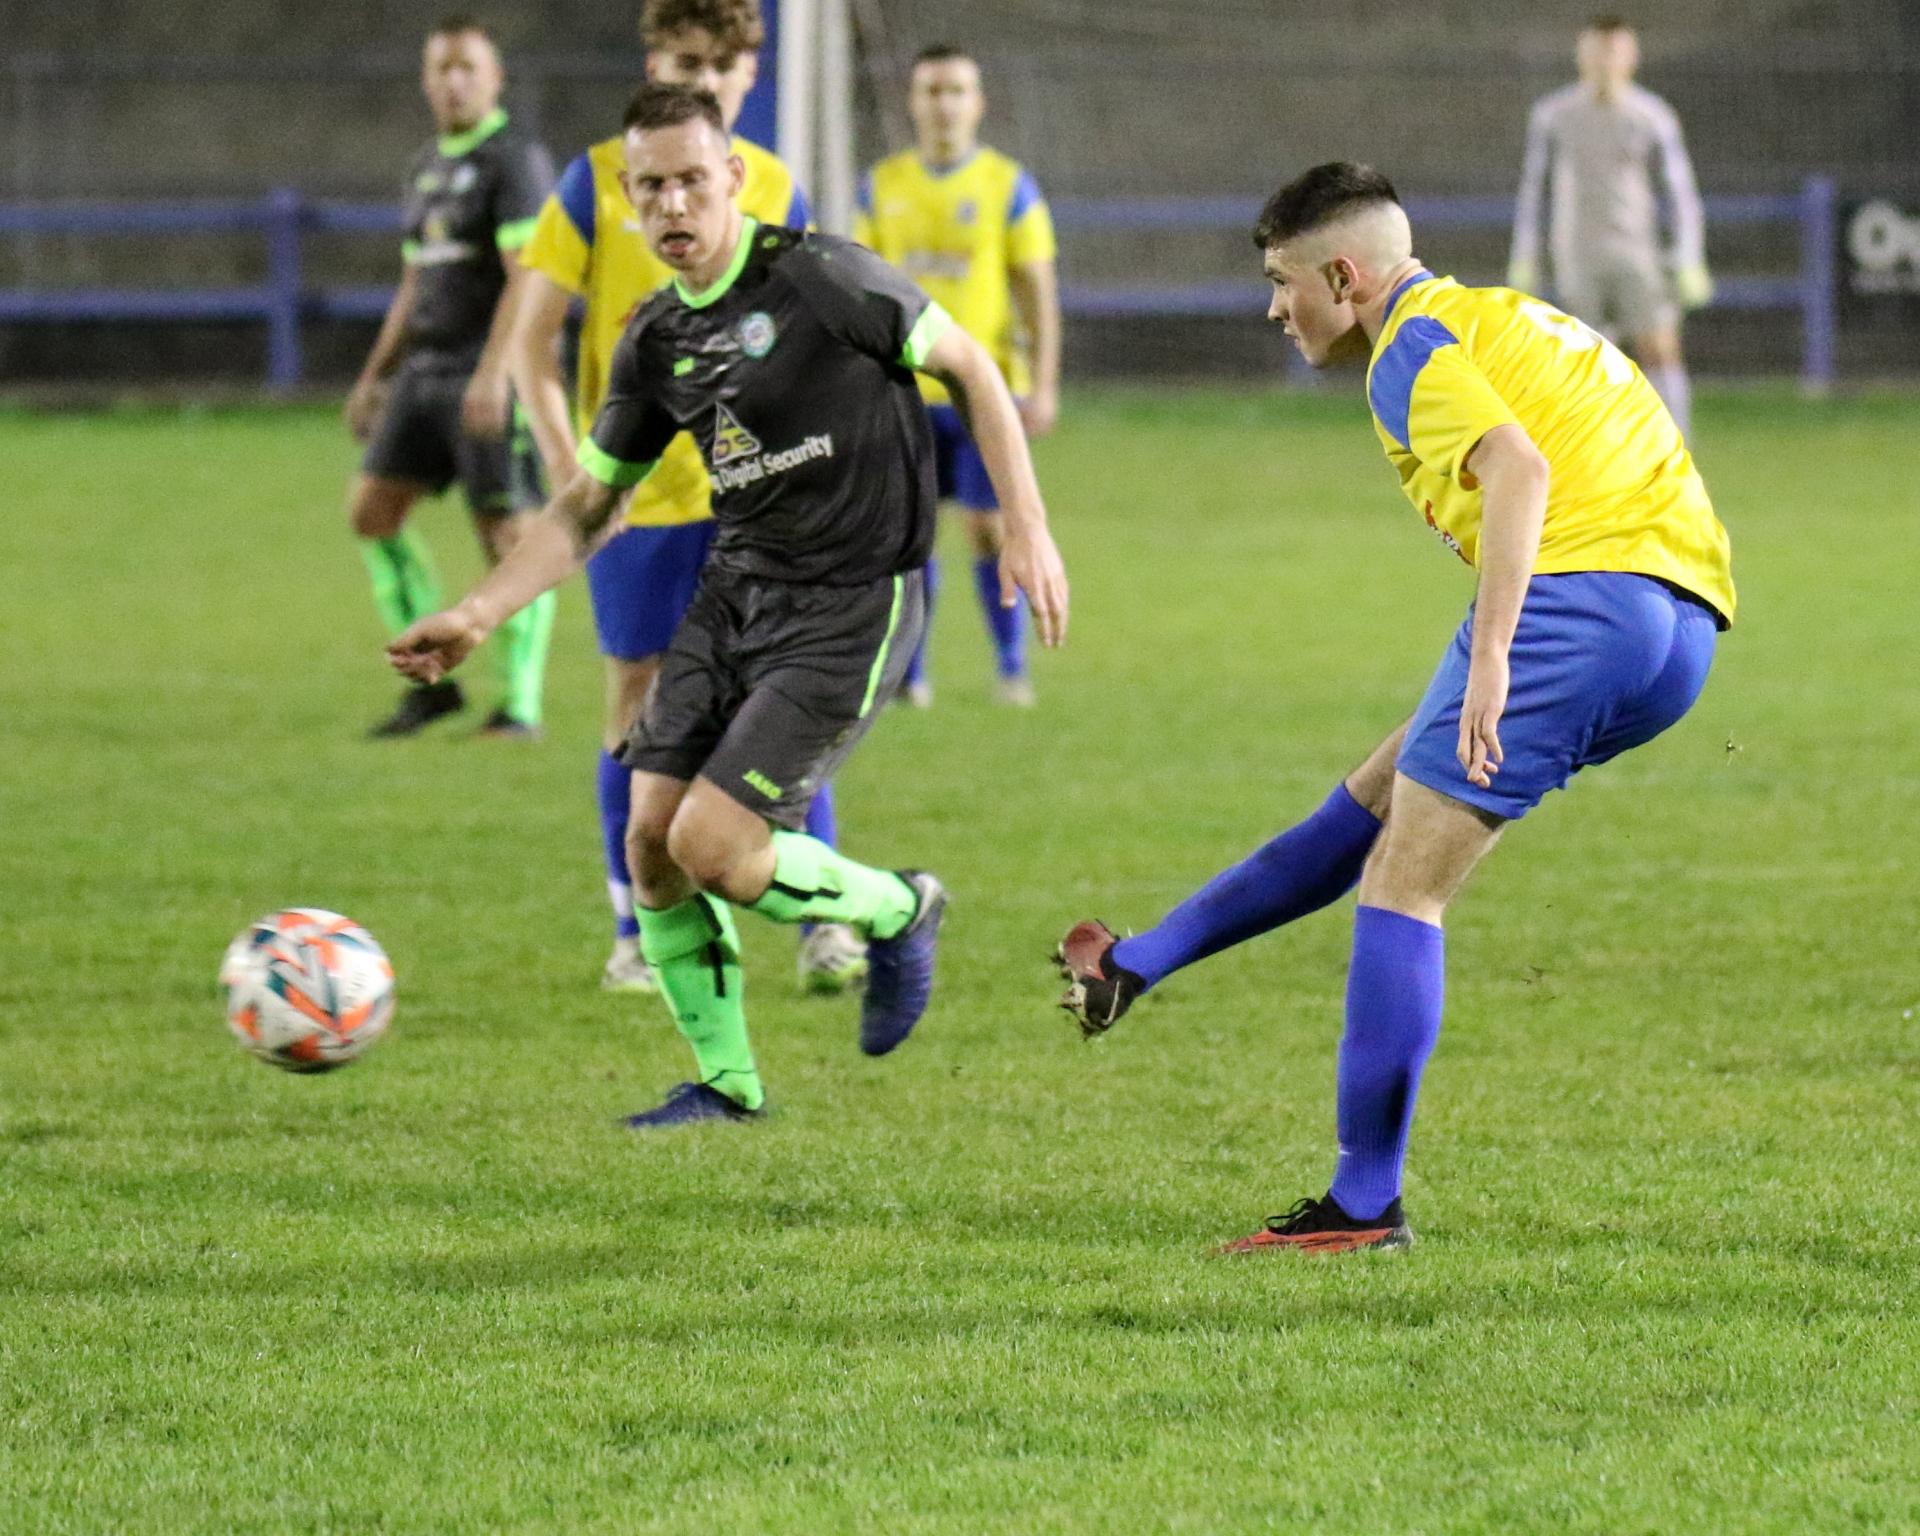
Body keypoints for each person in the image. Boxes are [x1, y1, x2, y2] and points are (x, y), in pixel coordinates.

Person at [1057, 163, 1733, 1253]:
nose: (1277, 310)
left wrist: (1503, 649)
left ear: (1343, 272)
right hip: (1681, 622)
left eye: (1284, 283)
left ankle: (1364, 1205)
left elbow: (1517, 468)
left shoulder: (1409, 346)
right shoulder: (1504, 315)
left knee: (1403, 886)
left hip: (1579, 600)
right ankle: (1138, 963)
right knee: (1376, 800)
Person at [394, 85, 1069, 1127]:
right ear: (626, 196)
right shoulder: (655, 337)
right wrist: (478, 615)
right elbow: (586, 506)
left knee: (715, 843)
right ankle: (727, 1083)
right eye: (651, 186)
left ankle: (900, 907)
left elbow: (973, 368)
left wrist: (1022, 520)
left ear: (734, 179)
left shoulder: (824, 275)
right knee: (653, 843)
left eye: (691, 181)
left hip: (852, 601)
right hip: (736, 592)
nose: (672, 204)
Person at [508, 0, 859, 997]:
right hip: (638, 503)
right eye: (682, 62)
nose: (703, 81)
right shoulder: (596, 180)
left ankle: (823, 926)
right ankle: (635, 928)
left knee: (778, 701)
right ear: (651, 62)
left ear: (750, 72)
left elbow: (808, 345)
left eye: (721, 65)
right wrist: (576, 471)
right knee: (638, 702)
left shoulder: (777, 188)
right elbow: (530, 340)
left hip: (753, 495)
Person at [348, 16, 556, 739]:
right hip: (424, 373)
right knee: (372, 513)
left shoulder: (513, 161)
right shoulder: (427, 166)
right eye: (441, 68)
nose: (454, 80)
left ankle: (520, 705)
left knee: (507, 534)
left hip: (481, 370)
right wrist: (376, 373)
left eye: (468, 66)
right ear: (426, 80)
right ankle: (428, 678)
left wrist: (497, 370)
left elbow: (526, 275)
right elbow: (415, 281)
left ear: (494, 77)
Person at [854, 42, 1061, 708]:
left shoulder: (1006, 185)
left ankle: (1009, 664)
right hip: (903, 390)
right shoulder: (882, 185)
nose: (943, 103)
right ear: (912, 102)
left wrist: (1046, 380)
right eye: (931, 90)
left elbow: (1036, 288)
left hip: (986, 389)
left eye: (955, 90)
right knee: (907, 534)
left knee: (989, 527)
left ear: (978, 103)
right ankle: (910, 675)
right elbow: (858, 286)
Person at [1509, 14, 1712, 439]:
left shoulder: (1652, 115)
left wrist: (1688, 255)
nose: (1606, 61)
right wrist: (1525, 257)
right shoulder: (1554, 115)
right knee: (1586, 360)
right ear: (1581, 55)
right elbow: (1534, 190)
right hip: (1577, 255)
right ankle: (1595, 457)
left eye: (1615, 51)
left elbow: (1679, 192)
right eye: (1598, 50)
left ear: (1631, 57)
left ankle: (1676, 453)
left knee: (1659, 350)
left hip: (1639, 255)